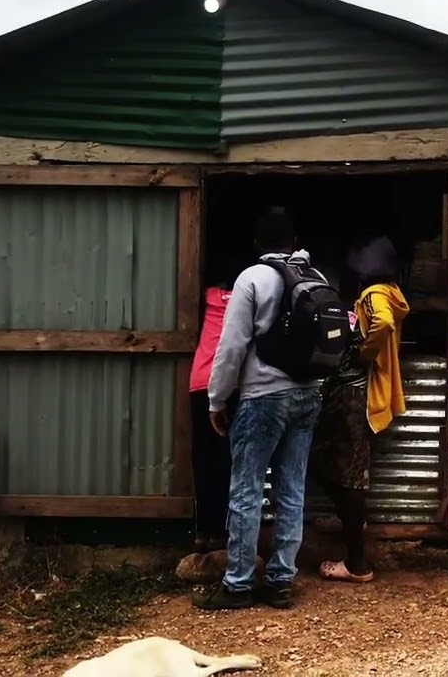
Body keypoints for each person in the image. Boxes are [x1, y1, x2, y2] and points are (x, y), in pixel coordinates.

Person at [194, 209, 323, 611]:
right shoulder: (315, 278)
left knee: (247, 488)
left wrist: (216, 399)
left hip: (263, 397)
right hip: (307, 396)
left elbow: (230, 347)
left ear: (257, 244)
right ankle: (281, 580)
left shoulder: (251, 279)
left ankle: (237, 584)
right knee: (292, 488)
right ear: (295, 239)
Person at [309, 235, 410, 583]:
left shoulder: (373, 295)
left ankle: (357, 563)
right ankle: (354, 523)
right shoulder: (392, 292)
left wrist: (362, 354)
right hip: (361, 397)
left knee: (348, 476)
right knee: (330, 466)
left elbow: (382, 324)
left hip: (355, 399)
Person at [187, 255, 247, 553]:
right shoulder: (248, 302)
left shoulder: (209, 296)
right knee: (228, 461)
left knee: (202, 459)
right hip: (231, 384)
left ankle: (202, 532)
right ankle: (224, 532)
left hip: (199, 381)